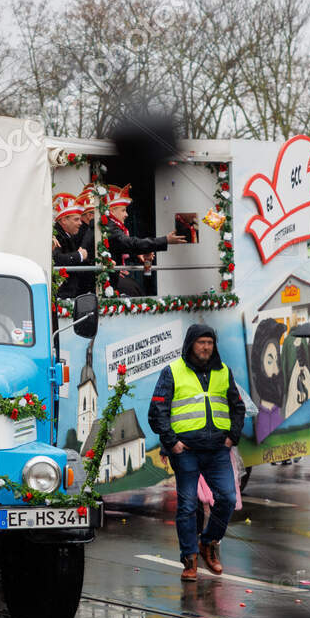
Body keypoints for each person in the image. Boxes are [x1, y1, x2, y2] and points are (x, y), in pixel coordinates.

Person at [148, 324, 244, 580]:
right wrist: (172, 443)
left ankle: (208, 542)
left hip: (217, 451)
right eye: (201, 342)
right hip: (186, 452)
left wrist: (231, 437)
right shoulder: (172, 372)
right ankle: (189, 559)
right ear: (191, 344)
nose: (206, 347)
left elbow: (238, 407)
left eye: (210, 343)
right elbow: (157, 411)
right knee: (188, 506)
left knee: (227, 499)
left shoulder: (224, 372)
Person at [102, 184, 184, 296]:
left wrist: (138, 256)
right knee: (134, 290)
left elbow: (122, 248)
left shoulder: (114, 227)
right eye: (123, 210)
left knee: (136, 288)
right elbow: (130, 244)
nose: (126, 215)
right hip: (111, 278)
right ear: (112, 211)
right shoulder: (110, 228)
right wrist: (165, 240)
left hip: (117, 275)